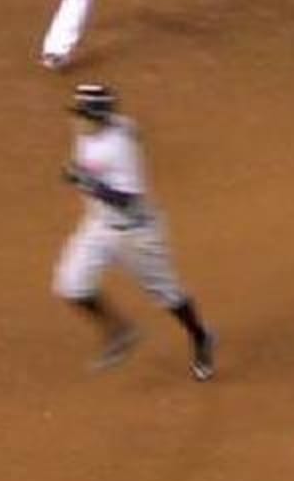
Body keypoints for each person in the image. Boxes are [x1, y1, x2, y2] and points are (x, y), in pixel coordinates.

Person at [53, 83, 216, 379]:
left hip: (136, 233)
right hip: (98, 227)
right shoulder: (97, 129)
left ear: (99, 117)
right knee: (71, 286)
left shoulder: (119, 150)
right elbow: (128, 125)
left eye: (83, 114)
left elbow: (128, 199)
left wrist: (85, 182)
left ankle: (201, 337)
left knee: (168, 295)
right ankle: (119, 331)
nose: (76, 119)